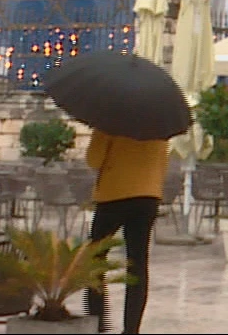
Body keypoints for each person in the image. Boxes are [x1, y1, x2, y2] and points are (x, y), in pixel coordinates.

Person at [84, 129, 168, 335]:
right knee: (137, 263)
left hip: (113, 194)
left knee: (95, 258)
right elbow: (163, 162)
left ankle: (97, 321)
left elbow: (94, 159)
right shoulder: (159, 122)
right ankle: (131, 329)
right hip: (148, 195)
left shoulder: (110, 120)